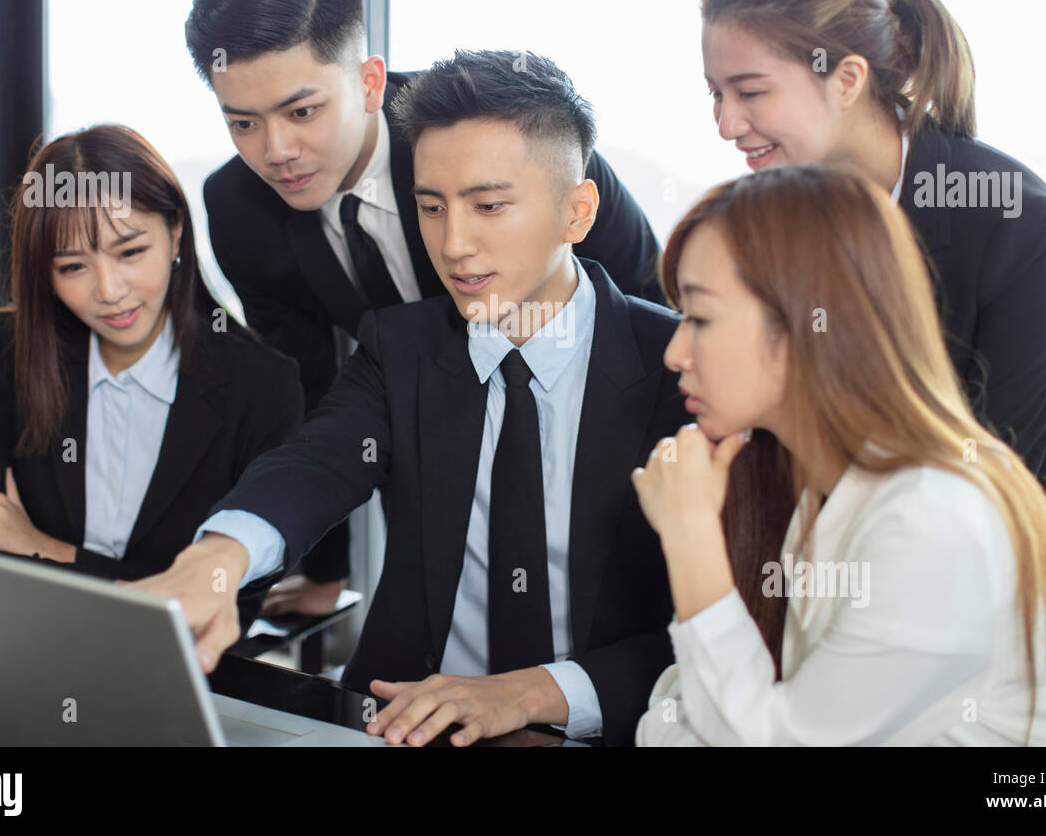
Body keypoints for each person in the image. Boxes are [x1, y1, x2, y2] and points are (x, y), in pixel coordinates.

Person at [131, 50, 688, 747]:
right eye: (431, 207)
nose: (453, 245)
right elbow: (315, 462)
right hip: (401, 723)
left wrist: (534, 693)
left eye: (489, 206)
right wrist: (221, 556)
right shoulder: (402, 347)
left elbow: (721, 634)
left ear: (577, 212)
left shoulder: (679, 369)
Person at [183, 0, 666, 616]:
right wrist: (321, 568)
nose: (276, 151)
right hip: (412, 447)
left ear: (370, 82)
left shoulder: (494, 140)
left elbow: (648, 309)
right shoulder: (241, 208)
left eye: (302, 112)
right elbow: (311, 387)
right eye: (243, 122)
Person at [698, 0, 1046, 604]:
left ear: (846, 79)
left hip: (1043, 522)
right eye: (715, 94)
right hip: (886, 519)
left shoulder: (1015, 222)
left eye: (750, 93)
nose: (726, 124)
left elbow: (992, 469)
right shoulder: (786, 209)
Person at [632, 165, 1046, 746]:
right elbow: (685, 718)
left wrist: (690, 539)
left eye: (700, 318)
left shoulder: (930, 515)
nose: (676, 352)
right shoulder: (810, 487)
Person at [0, 125, 303, 630]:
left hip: (181, 674)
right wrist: (129, 578)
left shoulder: (262, 387)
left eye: (130, 252)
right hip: (24, 639)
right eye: (72, 267)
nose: (109, 291)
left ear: (175, 233)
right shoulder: (13, 346)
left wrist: (40, 548)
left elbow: (221, 606)